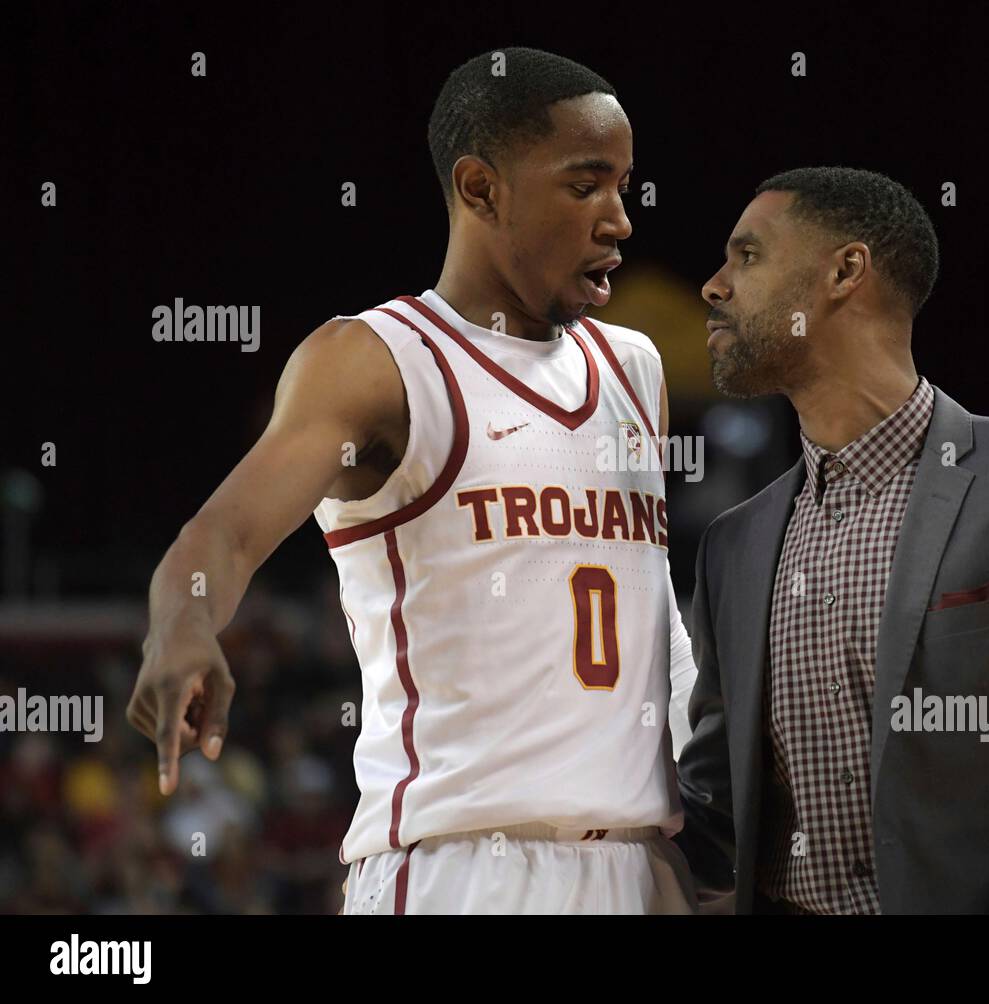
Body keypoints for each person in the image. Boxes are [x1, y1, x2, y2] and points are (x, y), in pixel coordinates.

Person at [128, 47, 698, 915]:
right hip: (465, 869)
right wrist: (182, 628)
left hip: (646, 866)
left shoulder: (636, 367)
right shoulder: (376, 362)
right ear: (481, 189)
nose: (620, 218)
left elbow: (654, 625)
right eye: (586, 185)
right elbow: (222, 536)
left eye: (624, 185)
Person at [673, 166, 989, 914]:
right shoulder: (733, 546)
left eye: (747, 257)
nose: (714, 286)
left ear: (846, 271)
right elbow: (716, 816)